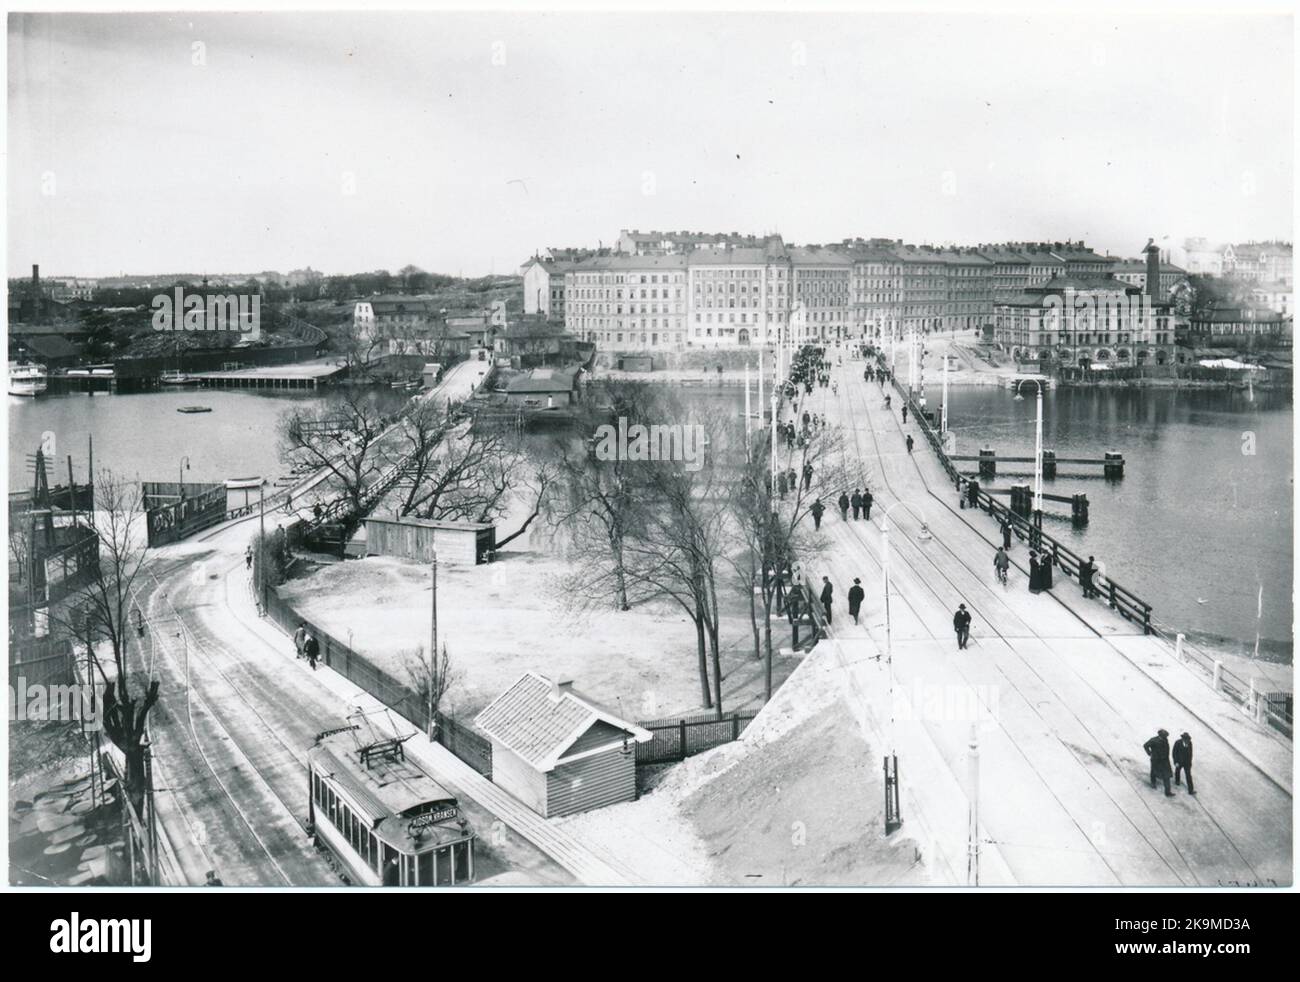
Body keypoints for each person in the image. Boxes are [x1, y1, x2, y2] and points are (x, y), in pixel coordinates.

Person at [1143, 728, 1175, 796]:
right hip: (1156, 760)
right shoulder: (1154, 740)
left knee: (1167, 776)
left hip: (1164, 760)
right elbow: (1145, 745)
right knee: (1154, 771)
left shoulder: (1165, 740)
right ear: (1160, 735)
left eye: (1166, 736)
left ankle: (1167, 792)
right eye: (1164, 736)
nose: (1165, 737)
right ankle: (1153, 783)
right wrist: (1150, 753)